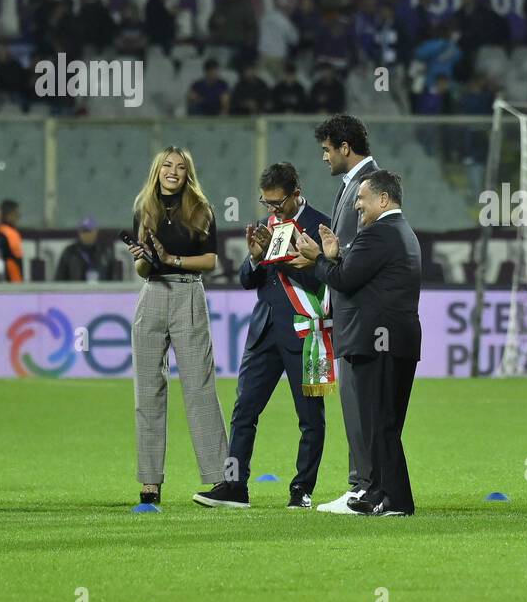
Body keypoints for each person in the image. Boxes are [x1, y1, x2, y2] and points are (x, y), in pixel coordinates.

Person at [194, 163, 333, 510]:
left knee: (310, 418)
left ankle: (301, 490)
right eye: (266, 203)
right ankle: (234, 486)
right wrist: (256, 259)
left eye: (278, 203)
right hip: (263, 332)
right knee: (244, 411)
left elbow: (322, 280)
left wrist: (280, 256)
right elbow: (247, 279)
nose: (272, 209)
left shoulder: (319, 225)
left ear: (296, 193)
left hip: (305, 334)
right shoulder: (269, 225)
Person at [294, 170, 422, 516]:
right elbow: (359, 274)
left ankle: (395, 500)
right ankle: (380, 494)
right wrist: (334, 255)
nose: (356, 204)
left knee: (380, 422)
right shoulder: (401, 232)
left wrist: (318, 258)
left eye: (362, 198)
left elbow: (345, 280)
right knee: (383, 423)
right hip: (398, 342)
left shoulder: (378, 234)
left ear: (383, 199)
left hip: (379, 343)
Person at [124, 146, 230, 506]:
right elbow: (143, 270)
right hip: (152, 294)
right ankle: (149, 483)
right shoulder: (144, 208)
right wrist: (146, 260)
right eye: (167, 165)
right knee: (147, 392)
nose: (173, 171)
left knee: (200, 389)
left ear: (188, 173)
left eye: (180, 167)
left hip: (187, 294)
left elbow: (210, 261)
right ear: (157, 170)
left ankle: (220, 480)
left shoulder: (201, 208)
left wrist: (171, 259)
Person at [311, 114, 379, 512]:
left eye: (326, 150)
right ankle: (364, 484)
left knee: (359, 402)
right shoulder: (356, 184)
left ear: (344, 147)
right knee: (356, 402)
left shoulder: (369, 187)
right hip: (355, 311)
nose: (324, 158)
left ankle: (362, 488)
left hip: (360, 312)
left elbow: (358, 253)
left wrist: (319, 259)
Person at [56, 217, 118, 282]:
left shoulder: (106, 252)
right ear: (79, 233)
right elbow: (59, 278)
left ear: (95, 231)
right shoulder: (70, 252)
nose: (86, 235)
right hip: (75, 290)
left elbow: (114, 277)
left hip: (101, 290)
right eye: (84, 231)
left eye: (89, 231)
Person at [0, 199, 24, 283]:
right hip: (12, 278)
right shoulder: (10, 233)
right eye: (16, 214)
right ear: (9, 215)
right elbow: (14, 260)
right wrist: (17, 281)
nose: (18, 217)